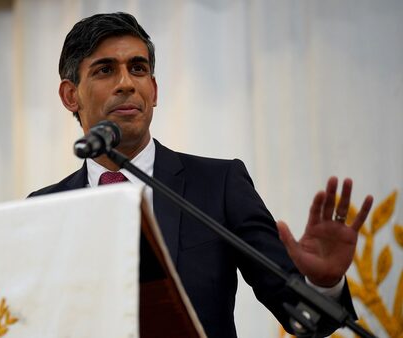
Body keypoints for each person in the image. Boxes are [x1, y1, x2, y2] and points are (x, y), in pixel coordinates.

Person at [29, 12, 373, 338]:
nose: (126, 84)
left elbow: (306, 320)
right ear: (70, 95)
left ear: (155, 90)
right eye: (105, 70)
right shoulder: (43, 209)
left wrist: (324, 285)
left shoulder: (218, 184)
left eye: (138, 68)